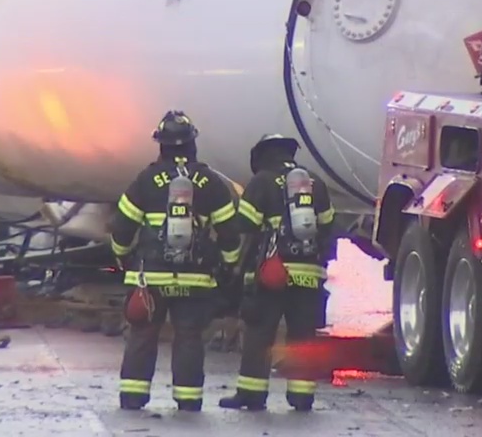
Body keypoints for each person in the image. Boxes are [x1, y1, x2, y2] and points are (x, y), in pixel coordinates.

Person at [110, 110, 243, 411]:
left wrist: (122, 257)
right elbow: (229, 232)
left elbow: (122, 226)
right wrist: (228, 265)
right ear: (192, 143)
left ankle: (133, 397)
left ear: (161, 145)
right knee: (189, 337)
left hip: (149, 279)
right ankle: (188, 400)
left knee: (142, 335)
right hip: (194, 279)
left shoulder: (145, 179)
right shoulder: (209, 181)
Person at [219, 134, 335, 413]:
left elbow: (245, 224)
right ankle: (302, 397)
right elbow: (330, 226)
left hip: (272, 273)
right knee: (302, 335)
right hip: (309, 274)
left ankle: (252, 395)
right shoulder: (315, 182)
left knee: (260, 333)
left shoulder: (262, 182)